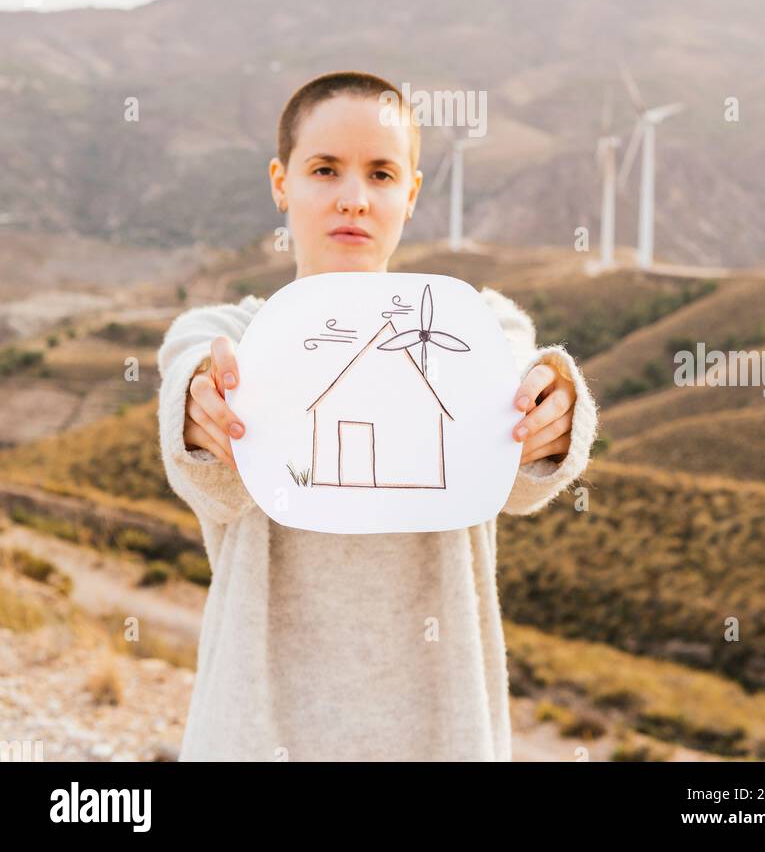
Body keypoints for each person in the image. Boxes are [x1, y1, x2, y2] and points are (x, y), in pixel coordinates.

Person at [157, 70, 599, 761]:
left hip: (439, 725)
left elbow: (523, 479)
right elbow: (207, 474)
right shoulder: (221, 334)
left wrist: (556, 419)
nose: (354, 199)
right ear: (281, 182)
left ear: (413, 193)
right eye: (325, 169)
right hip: (255, 724)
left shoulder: (482, 326)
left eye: (382, 174)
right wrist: (197, 410)